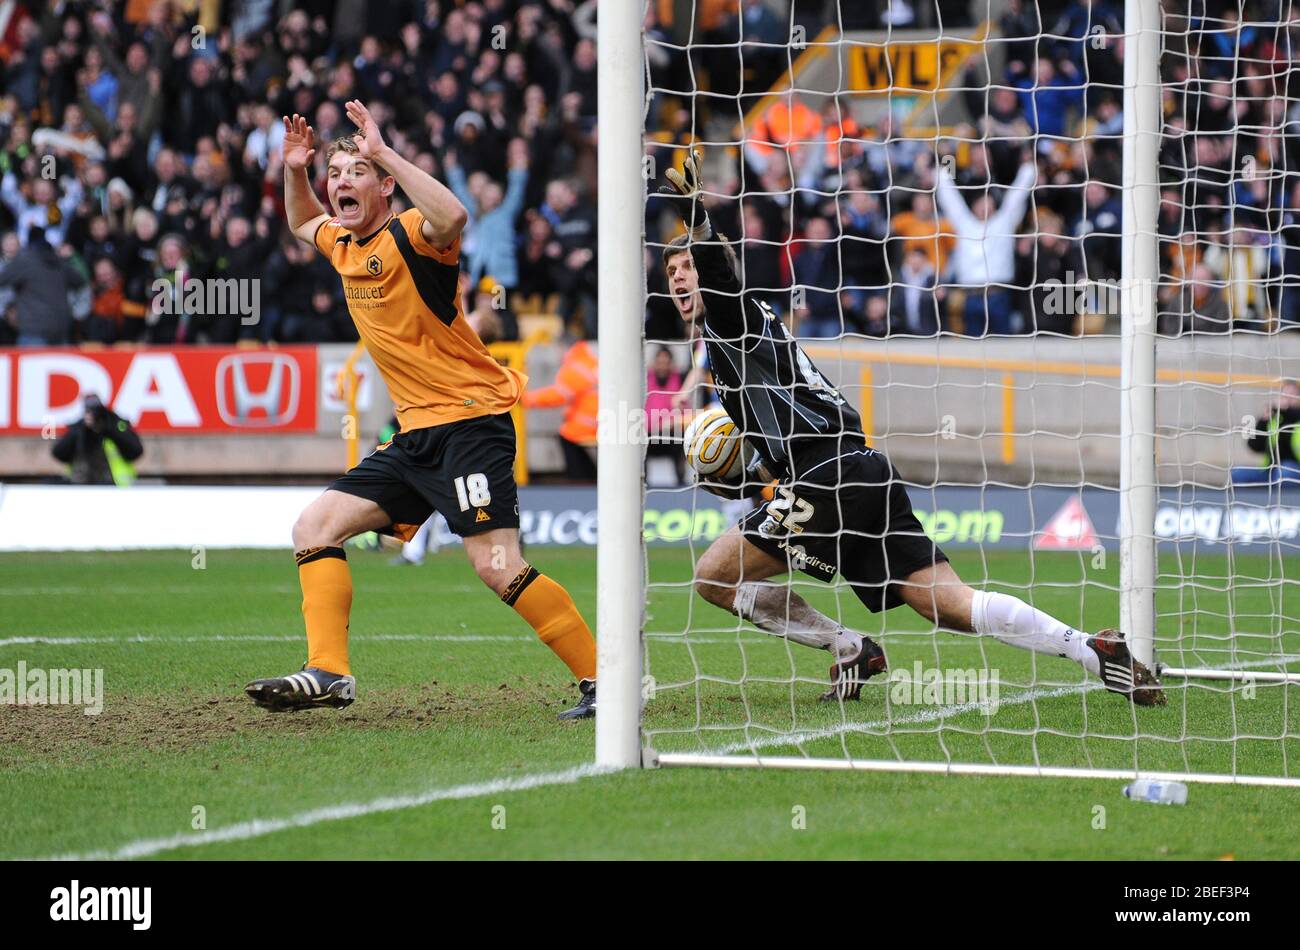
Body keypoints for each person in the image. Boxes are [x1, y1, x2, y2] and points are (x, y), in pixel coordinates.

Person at [656, 149, 1164, 706]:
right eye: (672, 272)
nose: (679, 278)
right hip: (861, 472)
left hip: (826, 478)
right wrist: (748, 478)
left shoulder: (737, 319)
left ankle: (846, 644)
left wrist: (698, 223)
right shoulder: (740, 348)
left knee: (713, 576)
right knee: (946, 603)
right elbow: (780, 448)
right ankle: (1090, 649)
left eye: (688, 268)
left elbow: (723, 284)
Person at [244, 106, 598, 721]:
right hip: (415, 437)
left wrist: (385, 152)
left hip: (469, 423)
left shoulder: (413, 233)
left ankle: (604, 681)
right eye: (336, 172)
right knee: (314, 528)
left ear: (383, 184)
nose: (341, 182)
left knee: (495, 566)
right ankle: (328, 672)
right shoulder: (343, 245)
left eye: (356, 171)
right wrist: (294, 170)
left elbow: (454, 214)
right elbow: (302, 219)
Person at [521, 335, 598, 481]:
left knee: (566, 435)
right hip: (602, 421)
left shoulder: (574, 367)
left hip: (589, 424)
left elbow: (557, 395)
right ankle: (588, 478)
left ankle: (580, 482)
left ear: (563, 347)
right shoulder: (589, 361)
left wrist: (526, 399)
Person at [0, 226, 87, 345]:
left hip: (33, 329)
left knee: (32, 363)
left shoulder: (25, 260)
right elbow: (81, 281)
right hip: (61, 327)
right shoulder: (59, 261)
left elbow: (2, 279)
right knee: (58, 363)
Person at [51, 394, 142, 485]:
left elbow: (135, 451)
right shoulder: (78, 428)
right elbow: (59, 453)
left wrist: (108, 426)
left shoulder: (116, 425)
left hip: (114, 487)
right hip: (81, 487)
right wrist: (81, 428)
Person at [1233, 380, 1300, 486]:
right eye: (1285, 395)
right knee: (1237, 472)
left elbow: (1294, 415)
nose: (1288, 399)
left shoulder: (1296, 418)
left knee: (1285, 471)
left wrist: (1283, 411)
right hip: (1270, 470)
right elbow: (1254, 446)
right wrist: (1264, 421)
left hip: (1294, 470)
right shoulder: (1274, 420)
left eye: (1293, 395)